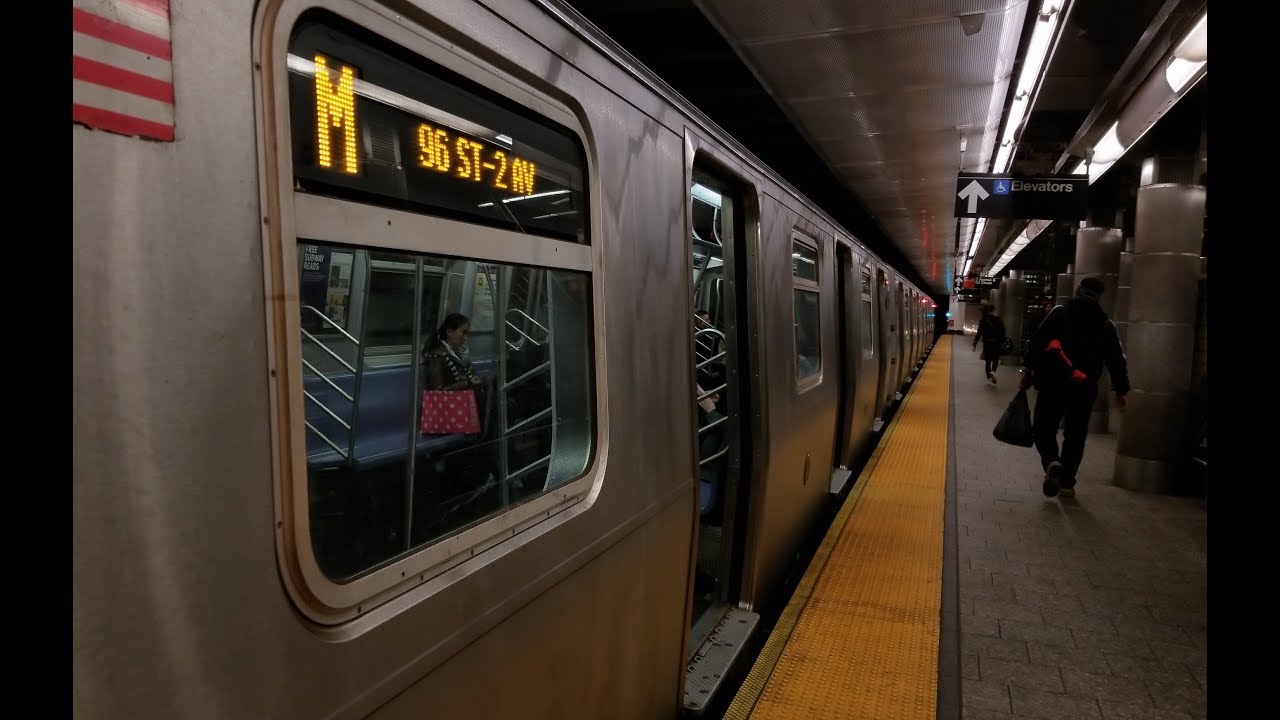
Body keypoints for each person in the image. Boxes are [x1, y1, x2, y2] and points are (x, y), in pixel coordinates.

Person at [1019, 277, 1130, 498]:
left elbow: (1038, 342)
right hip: (1084, 387)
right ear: (1099, 296)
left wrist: (1028, 372)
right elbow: (1116, 360)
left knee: (1043, 428)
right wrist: (1121, 390)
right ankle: (1067, 482)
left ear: (1078, 290)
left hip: (1053, 383)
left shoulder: (1059, 313)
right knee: (1076, 434)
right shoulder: (1106, 324)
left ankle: (1052, 461)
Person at [972, 303, 1006, 384]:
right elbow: (1002, 332)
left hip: (987, 343)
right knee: (995, 360)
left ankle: (988, 377)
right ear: (993, 310)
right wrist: (1002, 342)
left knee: (988, 361)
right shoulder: (999, 320)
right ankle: (993, 371)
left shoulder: (983, 320)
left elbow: (979, 333)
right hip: (996, 343)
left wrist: (974, 344)